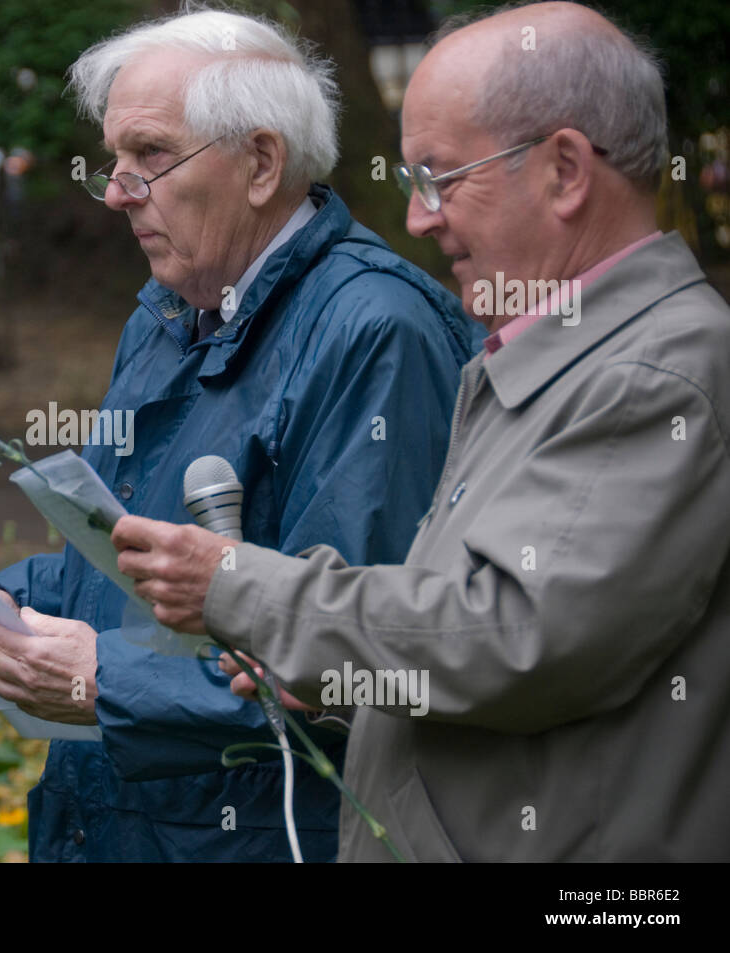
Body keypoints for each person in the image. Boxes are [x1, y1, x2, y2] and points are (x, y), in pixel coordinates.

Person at [112, 1, 730, 861]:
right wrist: (324, 678)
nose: (419, 220)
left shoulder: (653, 375)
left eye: (441, 178)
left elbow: (517, 636)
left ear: (564, 171)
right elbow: (468, 638)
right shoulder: (557, 351)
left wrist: (242, 591)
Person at [0, 7, 479, 862]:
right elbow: (124, 567)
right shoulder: (174, 309)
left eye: (149, 155)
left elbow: (357, 660)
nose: (113, 189)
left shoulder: (376, 330)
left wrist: (104, 682)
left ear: (259, 162)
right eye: (114, 159)